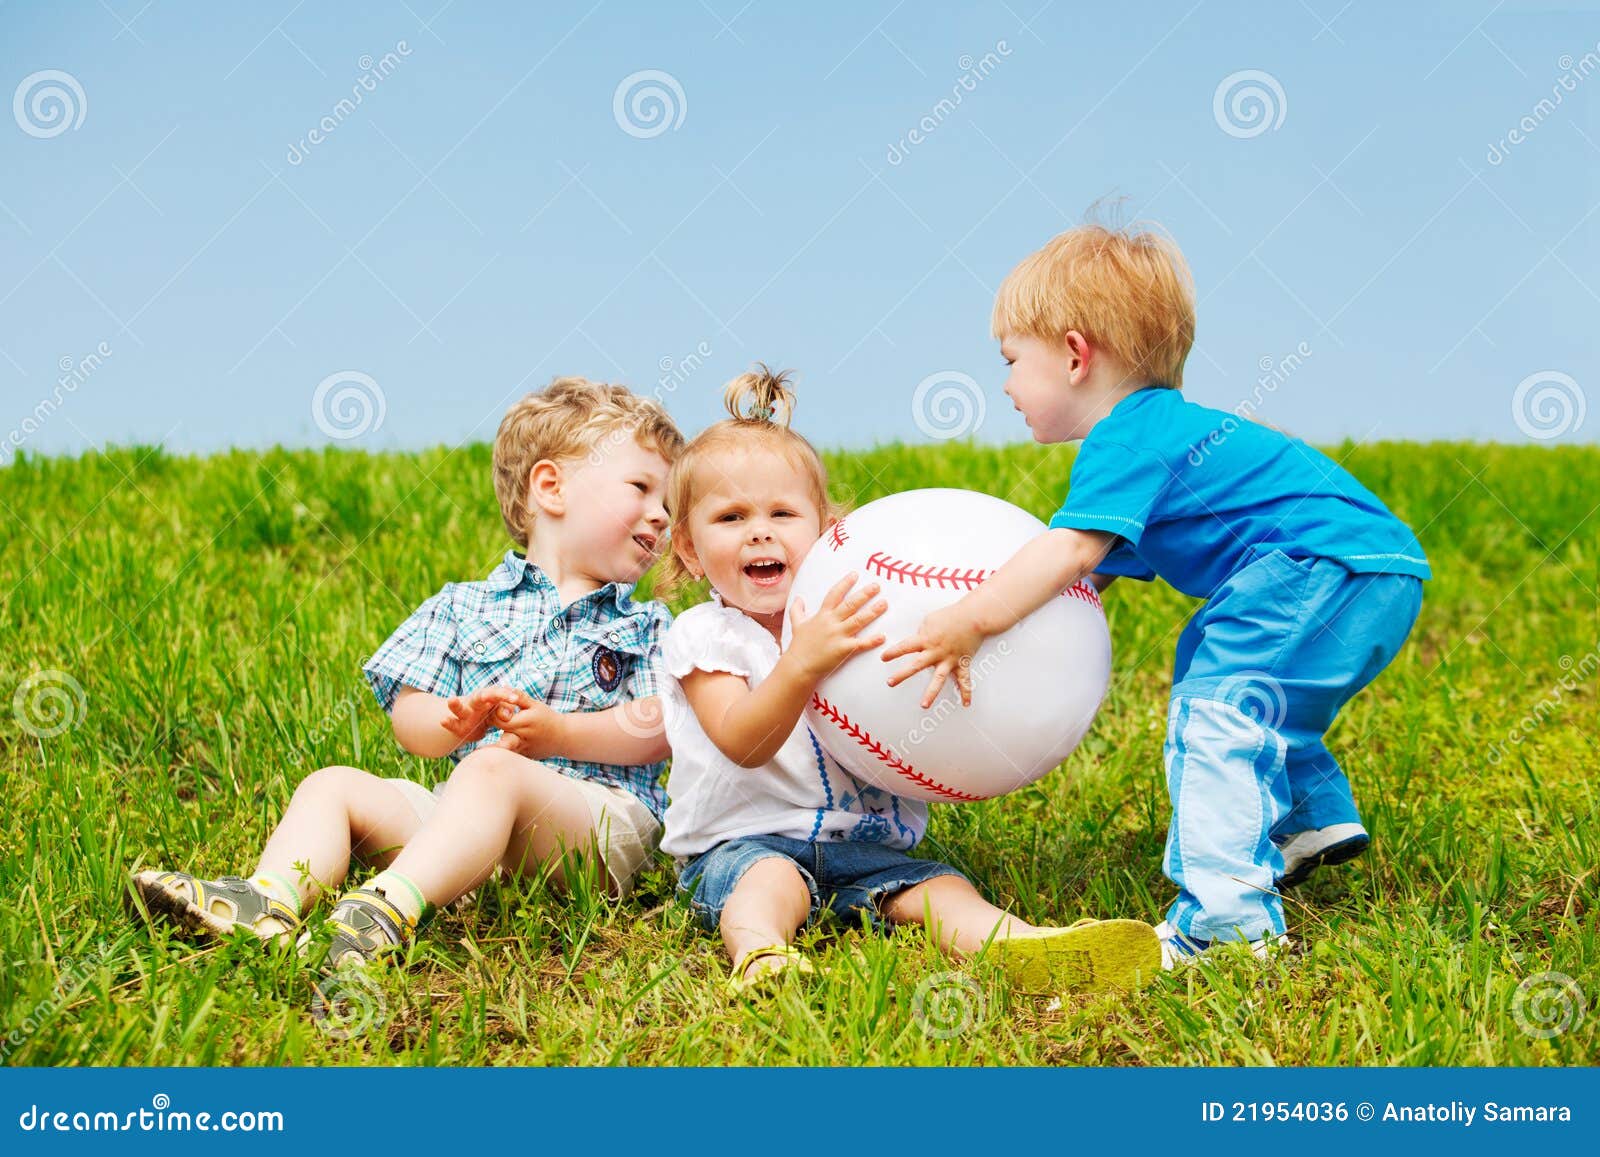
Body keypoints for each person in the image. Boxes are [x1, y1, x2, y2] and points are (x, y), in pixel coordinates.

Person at [883, 222, 1429, 967]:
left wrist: (971, 619)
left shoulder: (1127, 436)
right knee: (1217, 660)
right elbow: (1093, 572)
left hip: (1318, 565)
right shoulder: (1168, 433)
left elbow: (1071, 548)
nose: (1006, 385)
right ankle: (1307, 819)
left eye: (1011, 361)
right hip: (1374, 569)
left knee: (1216, 713)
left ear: (1075, 356)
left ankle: (1227, 925)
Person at [131, 377, 685, 981]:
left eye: (669, 501)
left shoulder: (648, 622)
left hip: (595, 829)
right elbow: (410, 722)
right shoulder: (461, 606)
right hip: (465, 826)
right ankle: (269, 901)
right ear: (550, 487)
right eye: (642, 487)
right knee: (333, 784)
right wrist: (454, 720)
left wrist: (559, 734)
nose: (661, 514)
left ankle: (387, 908)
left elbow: (658, 728)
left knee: (491, 769)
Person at [657, 364, 1159, 992]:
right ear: (686, 548)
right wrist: (801, 663)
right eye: (730, 518)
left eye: (782, 513)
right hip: (742, 845)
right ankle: (762, 956)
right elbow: (742, 740)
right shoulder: (705, 636)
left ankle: (1024, 946)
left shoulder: (870, 615)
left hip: (869, 848)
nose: (759, 530)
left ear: (825, 533)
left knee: (941, 887)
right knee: (769, 885)